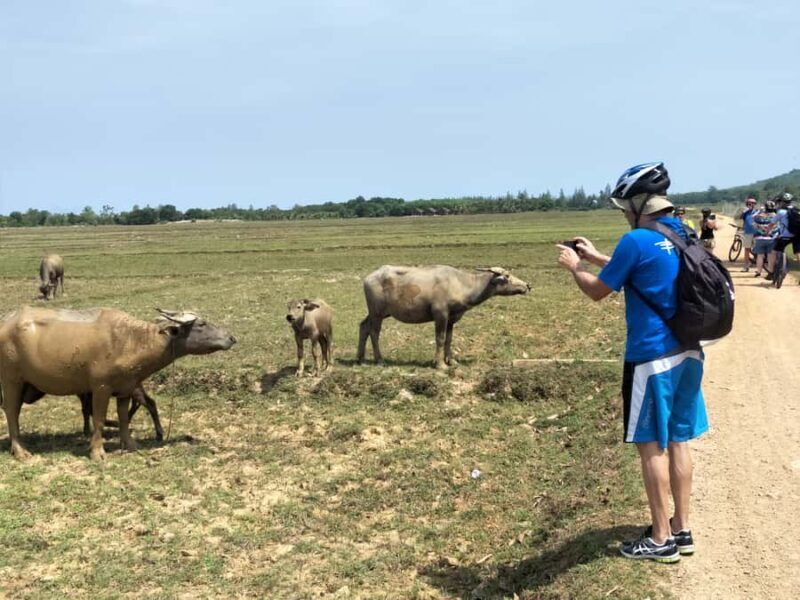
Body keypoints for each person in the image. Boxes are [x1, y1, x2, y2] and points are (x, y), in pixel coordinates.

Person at [557, 162, 707, 563]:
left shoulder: (636, 239)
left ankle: (660, 539)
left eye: (625, 206)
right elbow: (644, 271)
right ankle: (681, 528)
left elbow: (597, 292)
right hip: (689, 351)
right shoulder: (682, 232)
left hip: (652, 356)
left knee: (650, 446)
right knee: (678, 439)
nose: (624, 213)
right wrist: (596, 255)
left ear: (639, 203)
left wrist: (576, 267)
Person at [767, 193, 797, 280]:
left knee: (772, 252)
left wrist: (768, 232)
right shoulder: (797, 210)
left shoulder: (781, 212)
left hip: (785, 237)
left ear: (782, 202)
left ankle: (771, 272)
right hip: (797, 237)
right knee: (797, 253)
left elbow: (772, 224)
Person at [752, 200, 778, 278]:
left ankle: (758, 272)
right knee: (770, 256)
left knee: (760, 256)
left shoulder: (759, 216)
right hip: (771, 238)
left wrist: (759, 211)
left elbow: (753, 218)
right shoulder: (776, 216)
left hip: (759, 238)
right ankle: (770, 272)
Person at [734, 197, 758, 271]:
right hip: (747, 232)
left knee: (758, 249)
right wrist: (744, 212)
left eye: (753, 203)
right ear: (747, 204)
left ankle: (758, 265)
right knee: (747, 249)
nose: (751, 205)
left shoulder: (757, 212)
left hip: (757, 233)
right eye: (749, 203)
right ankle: (746, 265)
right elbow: (738, 218)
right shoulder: (745, 212)